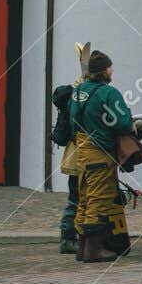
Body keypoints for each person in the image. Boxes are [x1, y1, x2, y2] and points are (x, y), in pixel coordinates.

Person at [71, 50, 135, 263]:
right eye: (110, 67)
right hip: (100, 151)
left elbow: (72, 122)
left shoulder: (78, 91)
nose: (112, 70)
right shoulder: (108, 93)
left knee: (85, 198)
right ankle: (94, 250)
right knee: (99, 199)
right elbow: (123, 123)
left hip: (82, 150)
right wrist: (132, 124)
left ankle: (82, 248)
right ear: (103, 71)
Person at [51, 81, 80, 255]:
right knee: (76, 201)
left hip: (73, 158)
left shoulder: (70, 105)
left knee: (75, 200)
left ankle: (69, 238)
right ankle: (68, 239)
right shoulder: (75, 105)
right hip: (79, 158)